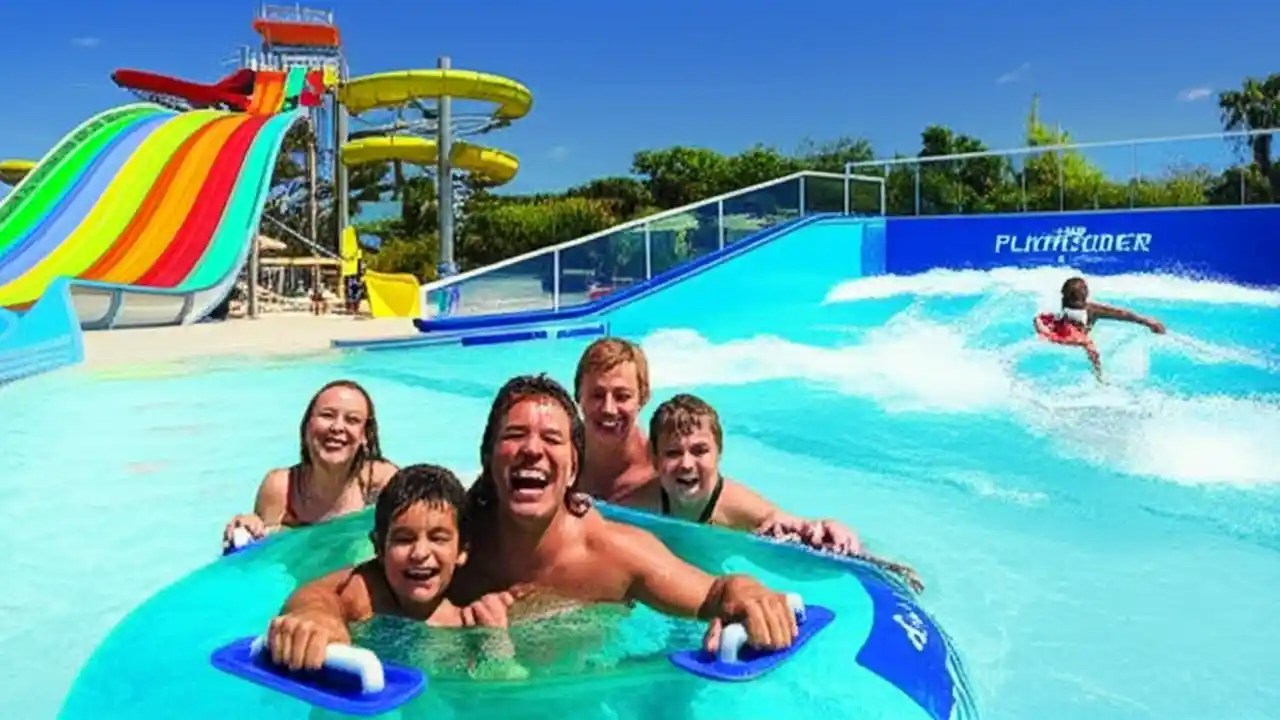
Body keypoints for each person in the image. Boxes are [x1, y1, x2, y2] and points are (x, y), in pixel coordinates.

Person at [448, 373, 801, 654]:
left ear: (573, 470)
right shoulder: (452, 546)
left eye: (552, 439)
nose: (531, 449)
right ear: (488, 459)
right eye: (515, 434)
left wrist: (746, 591)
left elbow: (713, 593)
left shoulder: (614, 554)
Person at [638, 393, 924, 592]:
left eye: (700, 450)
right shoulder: (641, 506)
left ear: (719, 453)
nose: (687, 464)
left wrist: (832, 533)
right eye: (673, 453)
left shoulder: (734, 507)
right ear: (654, 458)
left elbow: (792, 526)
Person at [264, 464, 515, 672]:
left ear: (462, 551)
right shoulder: (368, 595)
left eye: (438, 538)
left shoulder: (468, 622)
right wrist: (318, 618)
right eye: (404, 539)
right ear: (379, 548)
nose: (420, 553)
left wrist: (496, 648)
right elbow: (318, 595)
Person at [221, 380, 399, 550]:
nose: (337, 427)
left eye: (352, 420)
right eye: (327, 415)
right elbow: (264, 557)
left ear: (365, 436)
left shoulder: (381, 483)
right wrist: (250, 526)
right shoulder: (281, 488)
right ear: (307, 426)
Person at [572, 337, 655, 504]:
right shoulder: (559, 459)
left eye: (622, 396)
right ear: (578, 396)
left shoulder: (659, 472)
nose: (608, 409)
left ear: (643, 398)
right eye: (597, 395)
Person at [1035, 276, 1167, 380]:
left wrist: (1146, 321)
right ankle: (1099, 377)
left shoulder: (1071, 310)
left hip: (1060, 336)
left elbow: (1120, 313)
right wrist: (1147, 321)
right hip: (1074, 339)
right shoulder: (1089, 312)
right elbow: (1120, 314)